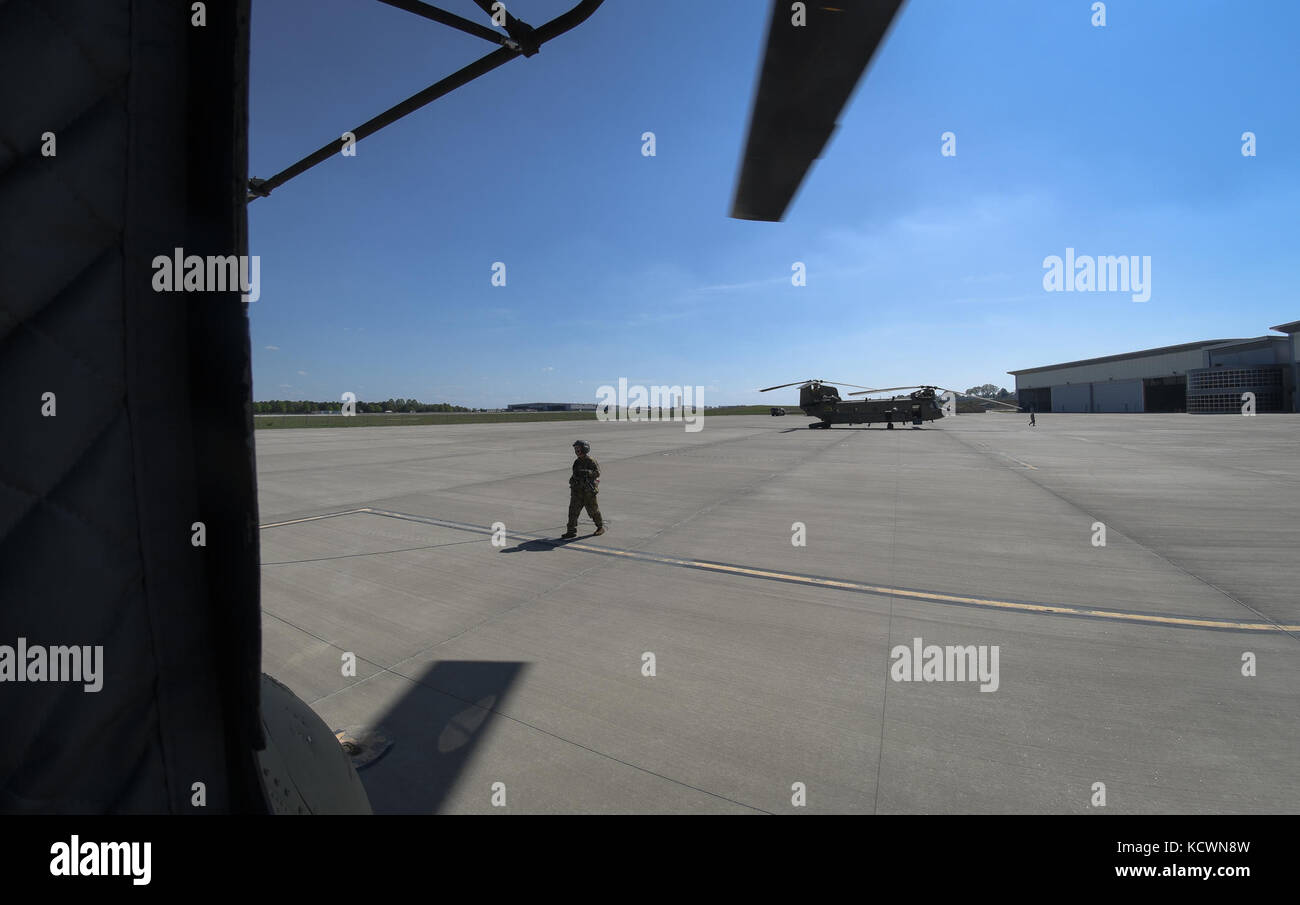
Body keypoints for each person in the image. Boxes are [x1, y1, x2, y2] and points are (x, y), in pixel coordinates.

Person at [562, 440, 604, 538]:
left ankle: (600, 527)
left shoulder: (591, 460)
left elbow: (597, 473)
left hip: (588, 492)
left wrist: (588, 473)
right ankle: (571, 531)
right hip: (577, 491)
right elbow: (575, 474)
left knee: (593, 510)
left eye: (578, 448)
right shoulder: (577, 461)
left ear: (584, 449)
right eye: (575, 449)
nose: (576, 450)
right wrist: (572, 481)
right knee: (572, 511)